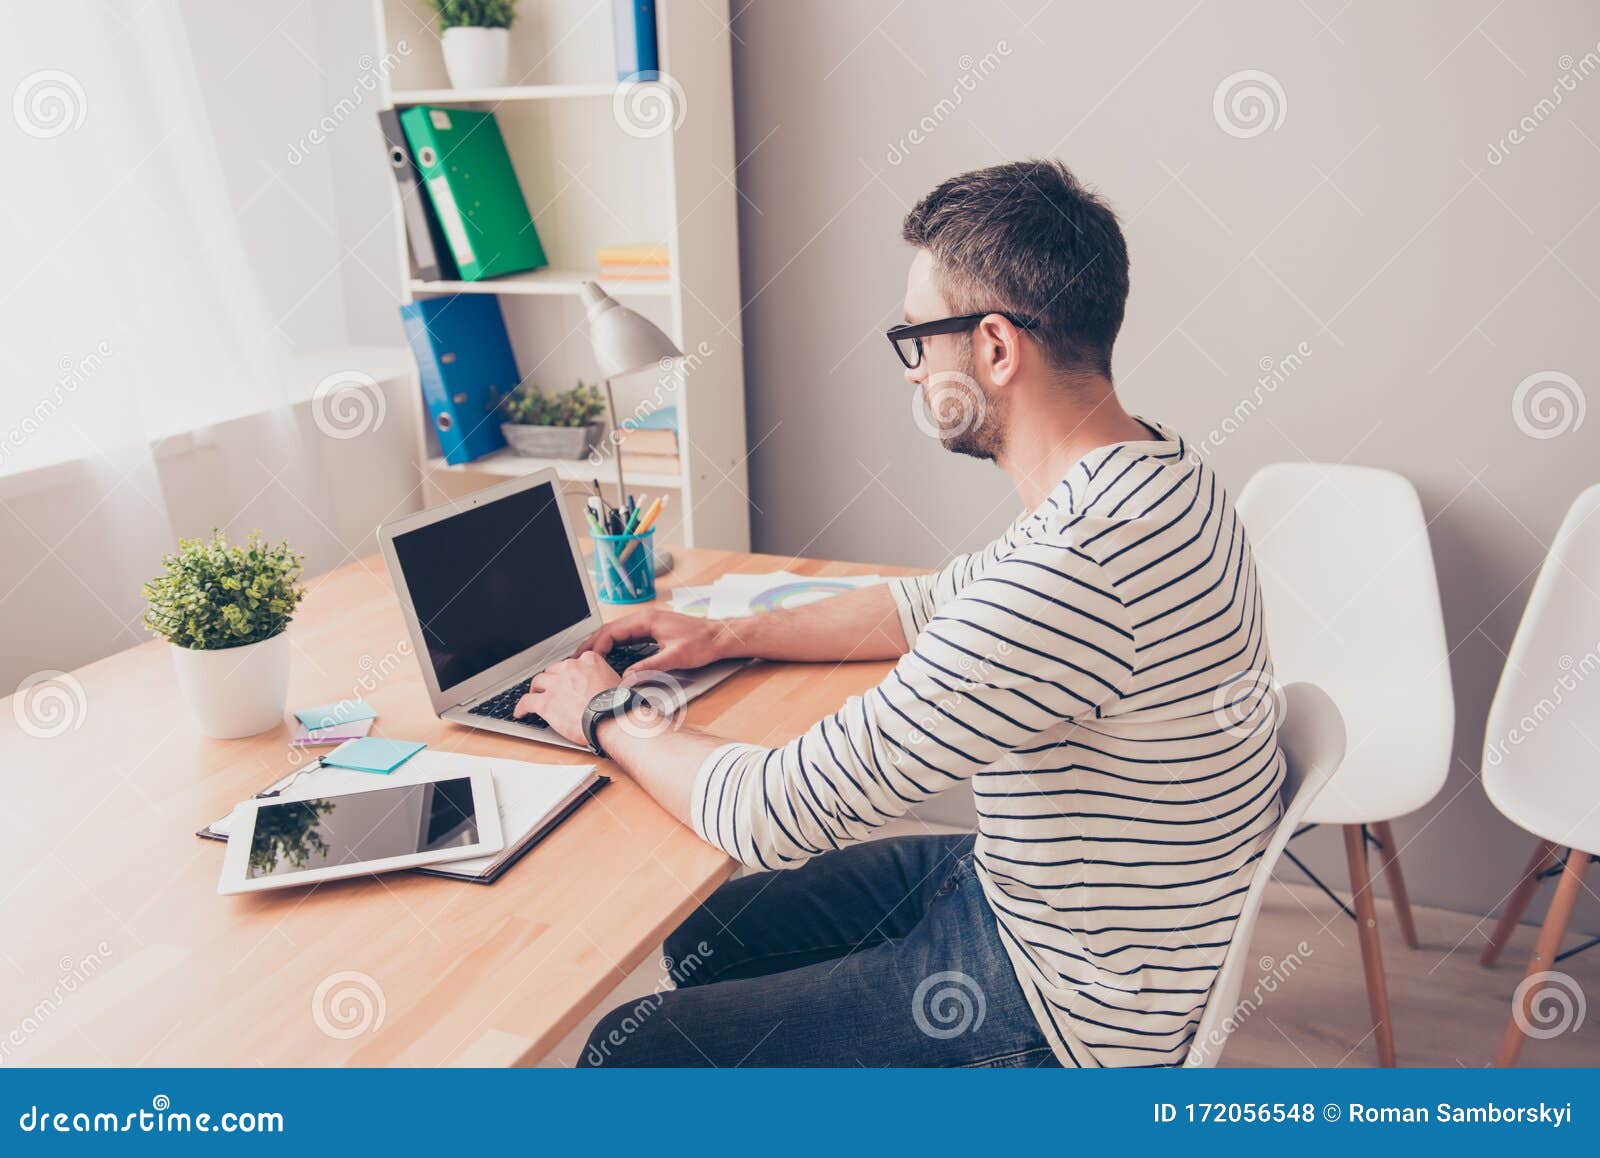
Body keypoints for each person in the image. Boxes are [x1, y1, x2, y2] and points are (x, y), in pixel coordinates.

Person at [516, 159, 1284, 1068]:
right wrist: (727, 634)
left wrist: (605, 713)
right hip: (1048, 902)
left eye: (917, 337)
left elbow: (775, 810)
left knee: (624, 1051)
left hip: (1062, 1011)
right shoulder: (1164, 475)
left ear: (996, 349)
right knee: (703, 934)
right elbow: (926, 605)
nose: (913, 371)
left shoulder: (1071, 571)